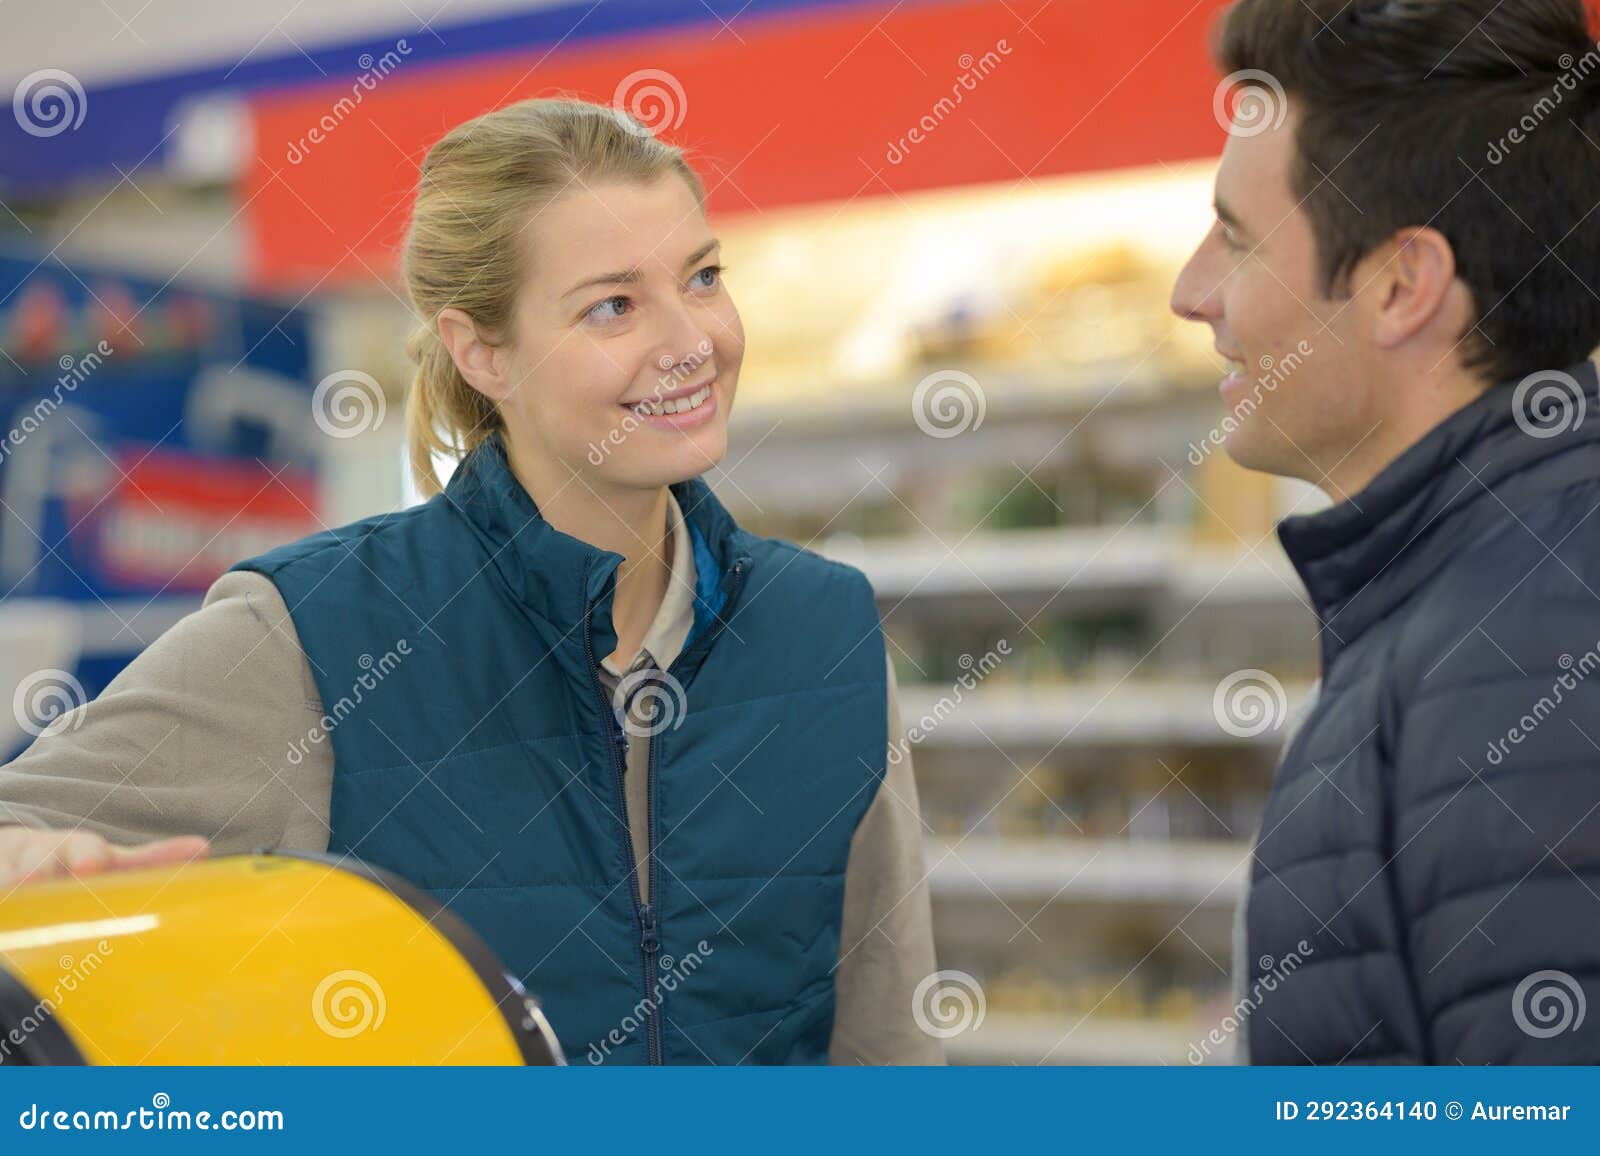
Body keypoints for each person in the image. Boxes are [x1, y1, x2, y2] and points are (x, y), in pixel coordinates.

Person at [0, 98, 942, 1066]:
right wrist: (31, 858)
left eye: (701, 278)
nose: (691, 339)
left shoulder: (821, 629)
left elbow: (888, 1042)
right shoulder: (324, 631)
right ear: (482, 350)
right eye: (613, 304)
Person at [1172, 0, 1600, 1064]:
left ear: (1402, 285)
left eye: (1234, 236)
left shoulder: (1534, 645)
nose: (1192, 292)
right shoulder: (1479, 601)